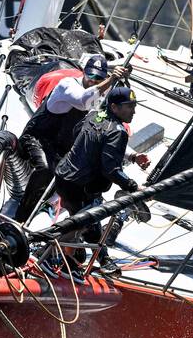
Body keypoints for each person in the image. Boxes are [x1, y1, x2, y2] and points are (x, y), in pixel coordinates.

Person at [16, 54, 130, 220]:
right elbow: (82, 100)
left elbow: (102, 134)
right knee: (46, 170)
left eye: (98, 78)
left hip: (59, 149)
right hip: (36, 139)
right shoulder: (67, 84)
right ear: (84, 72)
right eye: (90, 75)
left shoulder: (98, 100)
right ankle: (20, 218)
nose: (93, 80)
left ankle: (80, 220)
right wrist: (111, 79)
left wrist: (131, 156)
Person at [54, 86, 143, 274]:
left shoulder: (94, 115)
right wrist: (133, 186)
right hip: (80, 187)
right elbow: (111, 169)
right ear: (115, 107)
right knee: (85, 226)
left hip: (63, 178)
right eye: (129, 107)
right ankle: (58, 262)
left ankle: (101, 259)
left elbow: (76, 133)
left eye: (134, 106)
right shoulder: (118, 132)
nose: (134, 111)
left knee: (89, 224)